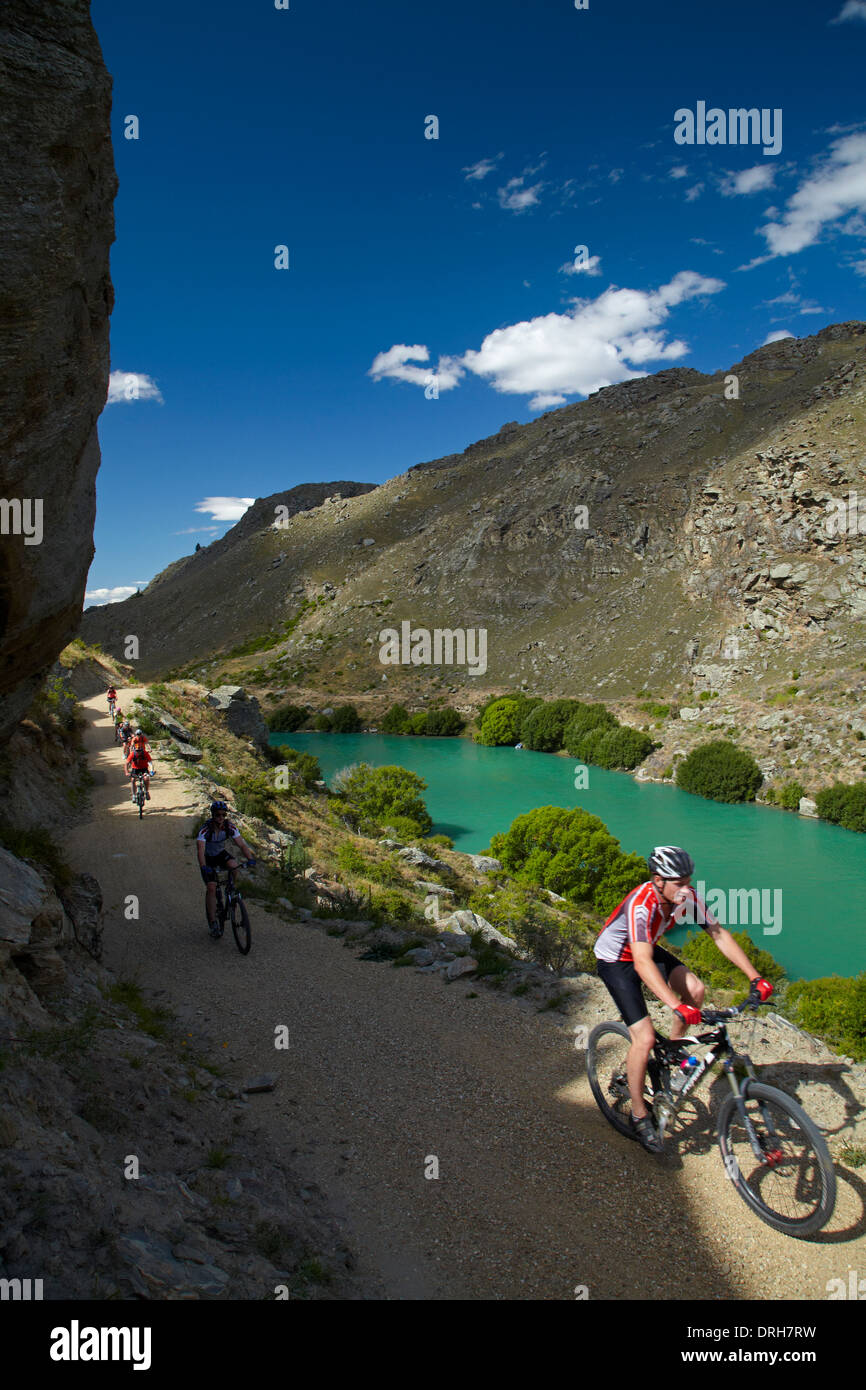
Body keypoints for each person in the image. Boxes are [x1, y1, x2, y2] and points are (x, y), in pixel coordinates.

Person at [594, 845, 773, 1153]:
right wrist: (676, 1006)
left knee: (697, 990)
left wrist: (755, 977)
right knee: (645, 1037)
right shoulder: (642, 903)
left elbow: (717, 934)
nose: (686, 888)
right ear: (657, 880)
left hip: (645, 949)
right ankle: (639, 1115)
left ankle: (673, 1053)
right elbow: (641, 962)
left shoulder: (685, 897)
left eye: (689, 880)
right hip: (616, 960)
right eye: (678, 882)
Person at [196, 801, 256, 938]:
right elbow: (200, 850)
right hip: (207, 858)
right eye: (217, 815)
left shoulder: (229, 827)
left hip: (220, 854)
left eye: (223, 815)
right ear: (212, 815)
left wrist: (250, 858)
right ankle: (213, 923)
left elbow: (242, 844)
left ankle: (231, 889)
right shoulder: (205, 830)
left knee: (234, 866)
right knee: (211, 887)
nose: (221, 818)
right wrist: (204, 867)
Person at [125, 728, 153, 801]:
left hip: (144, 768)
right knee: (133, 780)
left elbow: (150, 762)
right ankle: (134, 795)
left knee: (146, 778)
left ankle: (146, 792)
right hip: (135, 769)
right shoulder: (134, 741)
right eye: (138, 734)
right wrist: (126, 771)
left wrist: (152, 770)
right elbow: (127, 763)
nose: (139, 736)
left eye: (140, 734)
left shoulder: (144, 751)